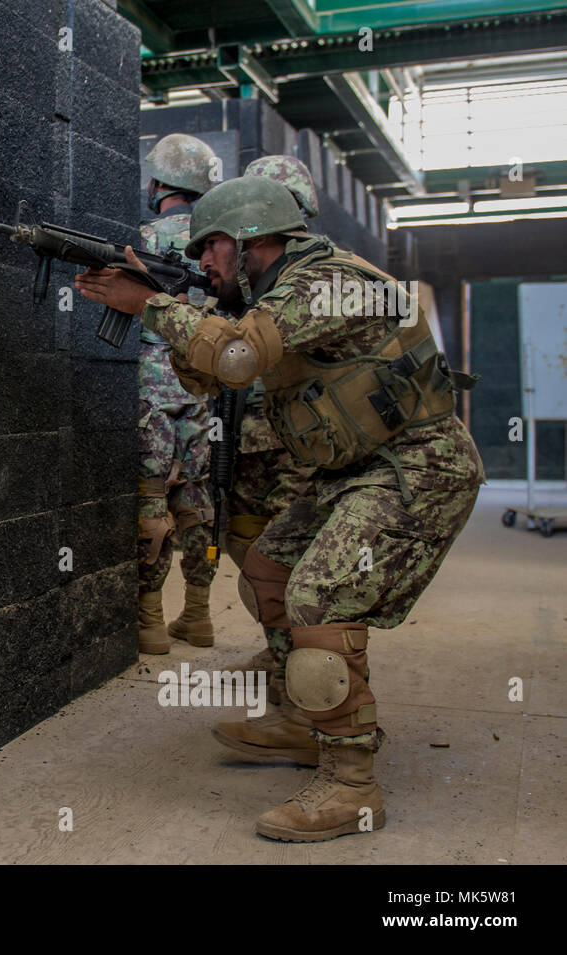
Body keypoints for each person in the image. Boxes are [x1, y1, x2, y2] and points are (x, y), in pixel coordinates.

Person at [76, 176, 483, 841]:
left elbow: (235, 357)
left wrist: (152, 305)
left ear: (252, 238)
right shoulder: (276, 294)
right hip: (354, 469)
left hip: (419, 468)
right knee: (267, 569)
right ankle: (302, 718)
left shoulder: (325, 283)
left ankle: (352, 784)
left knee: (320, 597)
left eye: (210, 247)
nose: (204, 262)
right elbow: (213, 368)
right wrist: (177, 307)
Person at [211, 156, 321, 766]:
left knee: (298, 568)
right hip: (249, 436)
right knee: (254, 554)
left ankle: (301, 700)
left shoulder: (311, 279)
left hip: (296, 449)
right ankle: (280, 657)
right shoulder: (255, 281)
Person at [134, 134, 221, 653]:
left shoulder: (144, 238)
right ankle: (199, 615)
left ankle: (149, 620)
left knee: (150, 502)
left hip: (150, 388)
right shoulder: (218, 243)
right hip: (199, 387)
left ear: (162, 181)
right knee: (196, 501)